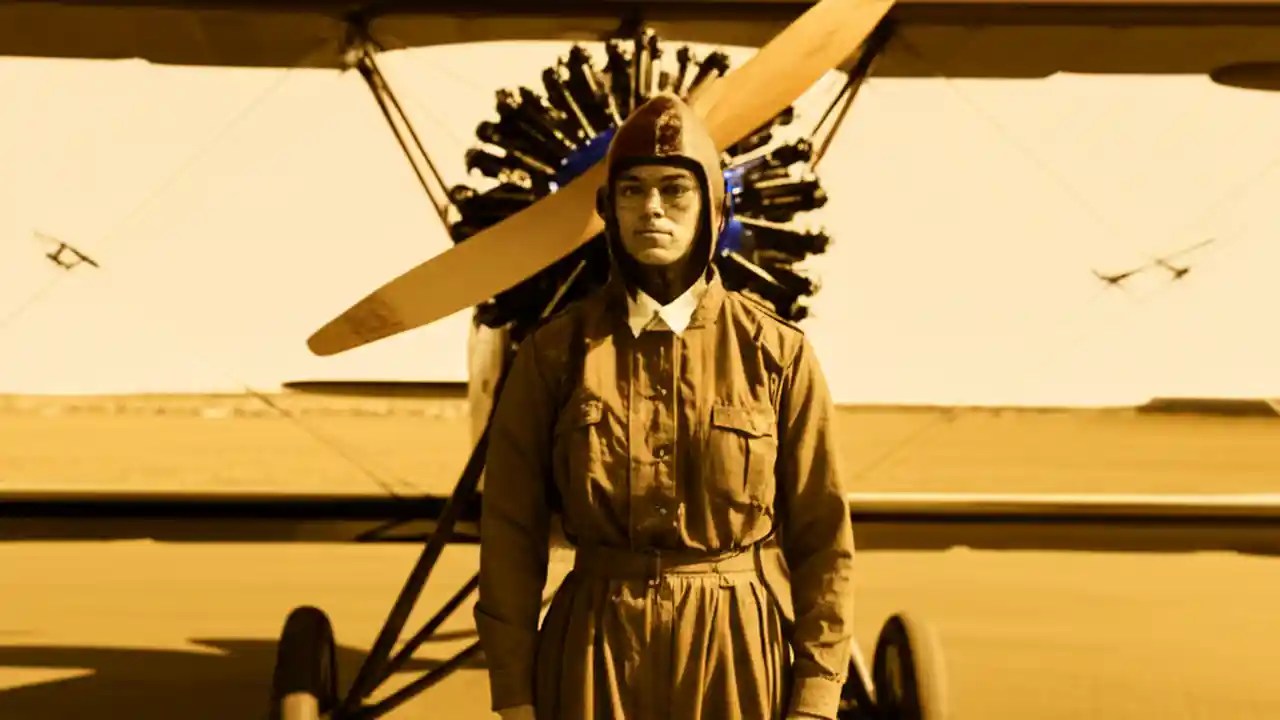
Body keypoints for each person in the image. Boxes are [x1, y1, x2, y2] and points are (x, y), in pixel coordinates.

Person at [474, 92, 855, 720]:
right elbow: (510, 533)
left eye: (675, 189)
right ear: (608, 209)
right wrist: (514, 693)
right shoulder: (553, 354)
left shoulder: (777, 356)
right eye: (632, 191)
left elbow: (822, 538)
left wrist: (816, 694)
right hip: (594, 645)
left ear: (711, 206)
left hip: (734, 651)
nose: (652, 208)